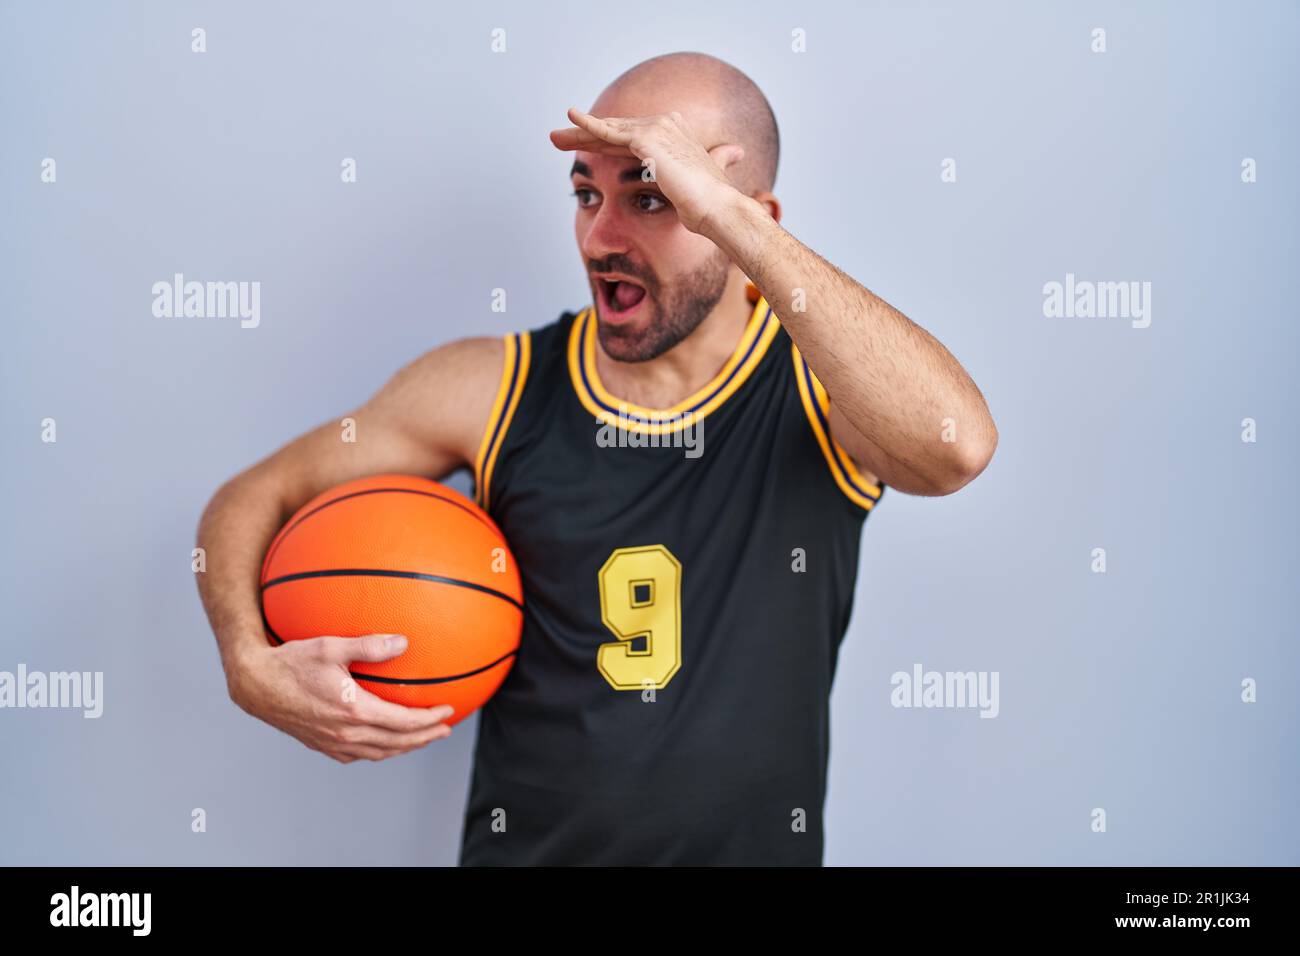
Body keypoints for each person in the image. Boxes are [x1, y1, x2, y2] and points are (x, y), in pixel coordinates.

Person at [196, 51, 998, 865]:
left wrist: (734, 222)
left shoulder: (821, 391)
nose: (600, 237)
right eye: (586, 194)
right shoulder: (492, 387)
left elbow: (956, 448)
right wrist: (245, 658)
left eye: (651, 197)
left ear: (748, 217)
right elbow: (253, 496)